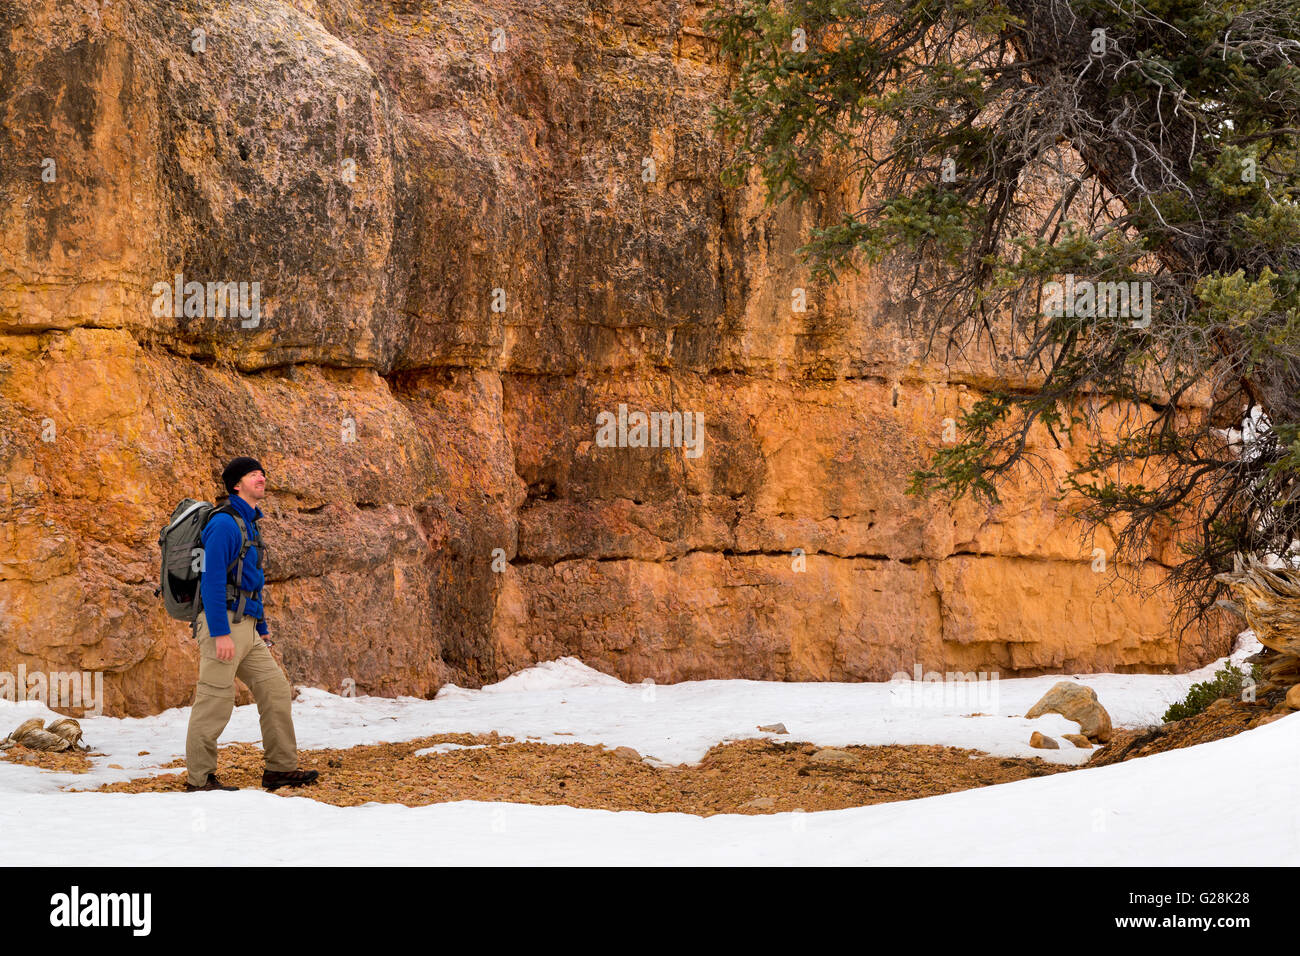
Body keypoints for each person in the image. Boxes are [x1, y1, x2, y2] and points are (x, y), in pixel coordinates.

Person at [184, 456, 319, 793]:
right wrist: (220, 632)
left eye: (262, 473)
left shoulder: (249, 524)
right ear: (236, 485)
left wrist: (260, 627)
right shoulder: (225, 523)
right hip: (223, 624)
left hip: (246, 627)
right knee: (215, 700)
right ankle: (199, 779)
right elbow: (212, 579)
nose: (260, 477)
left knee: (274, 690)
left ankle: (280, 769)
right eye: (252, 474)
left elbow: (251, 582)